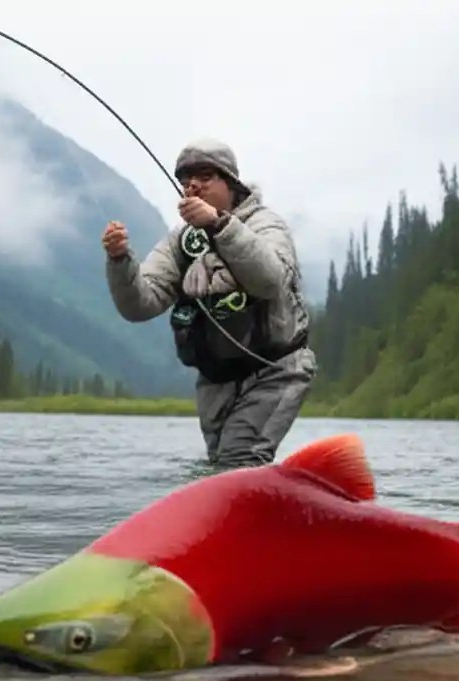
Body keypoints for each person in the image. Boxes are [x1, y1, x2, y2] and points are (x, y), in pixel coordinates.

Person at [102, 137, 317, 469]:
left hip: (275, 369)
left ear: (231, 183)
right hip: (216, 379)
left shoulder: (265, 224)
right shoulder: (181, 243)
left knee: (240, 459)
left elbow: (270, 279)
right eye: (187, 180)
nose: (194, 185)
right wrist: (120, 261)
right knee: (220, 469)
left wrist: (219, 225)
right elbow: (139, 305)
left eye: (205, 176)